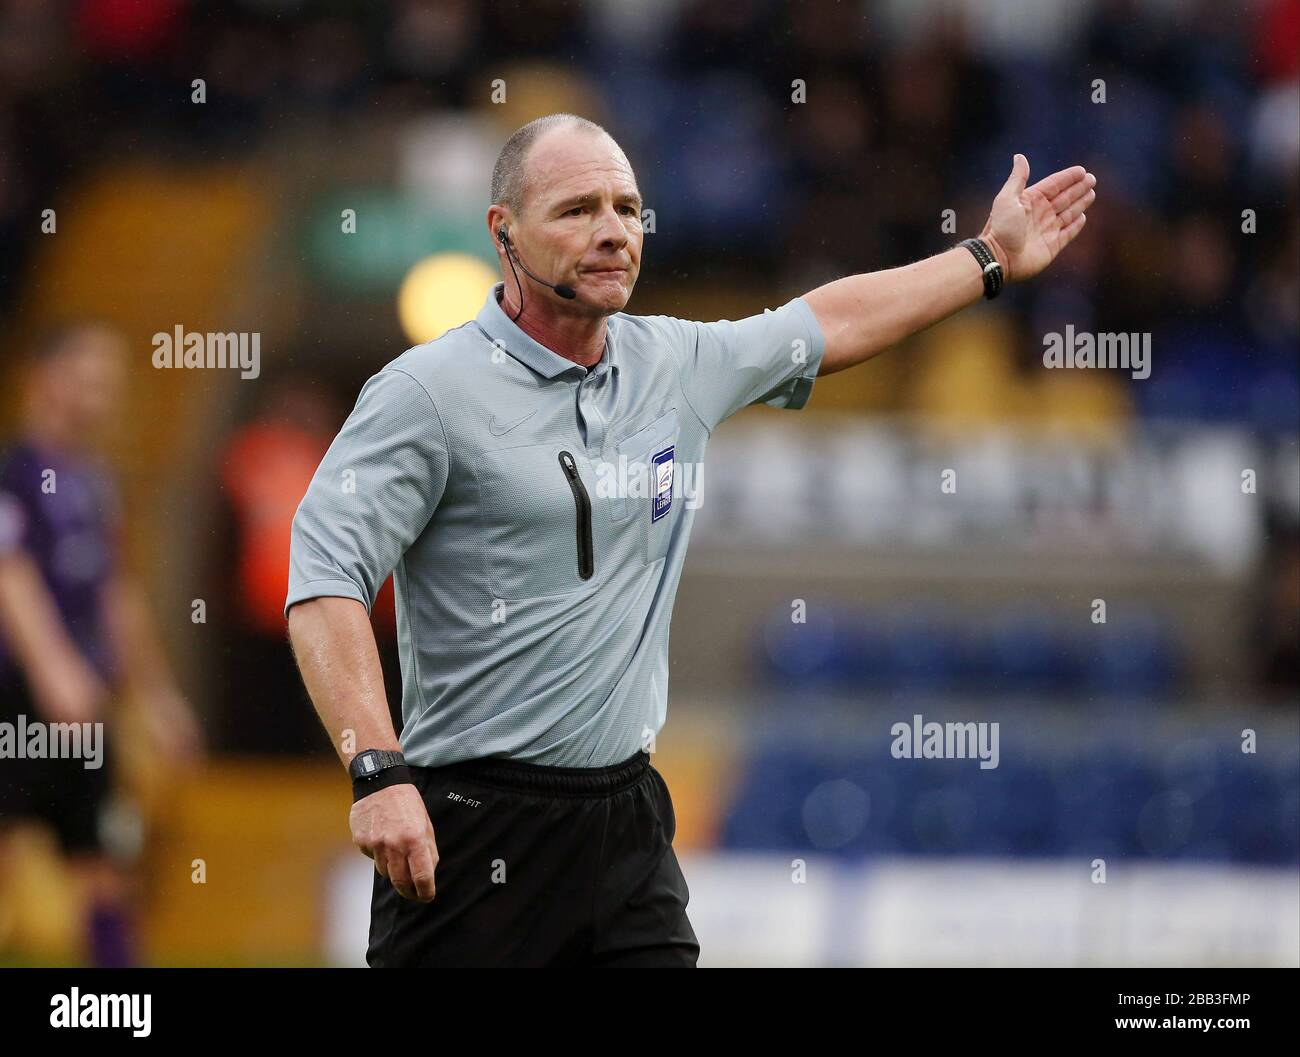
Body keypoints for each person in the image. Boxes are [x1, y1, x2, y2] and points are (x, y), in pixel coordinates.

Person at [285, 113, 1095, 967]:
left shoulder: (675, 365)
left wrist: (986, 258)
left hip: (626, 827)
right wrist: (376, 769)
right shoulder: (426, 393)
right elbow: (324, 575)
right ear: (503, 232)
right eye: (576, 210)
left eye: (627, 208)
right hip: (473, 826)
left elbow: (830, 321)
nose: (611, 232)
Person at [0, 322, 202, 966]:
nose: (102, 395)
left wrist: (157, 696)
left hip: (88, 704)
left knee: (105, 862)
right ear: (45, 379)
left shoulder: (95, 482)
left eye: (109, 383)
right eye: (88, 378)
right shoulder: (16, 474)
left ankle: (114, 1007)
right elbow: (11, 574)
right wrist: (53, 667)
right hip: (16, 698)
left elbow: (117, 591)